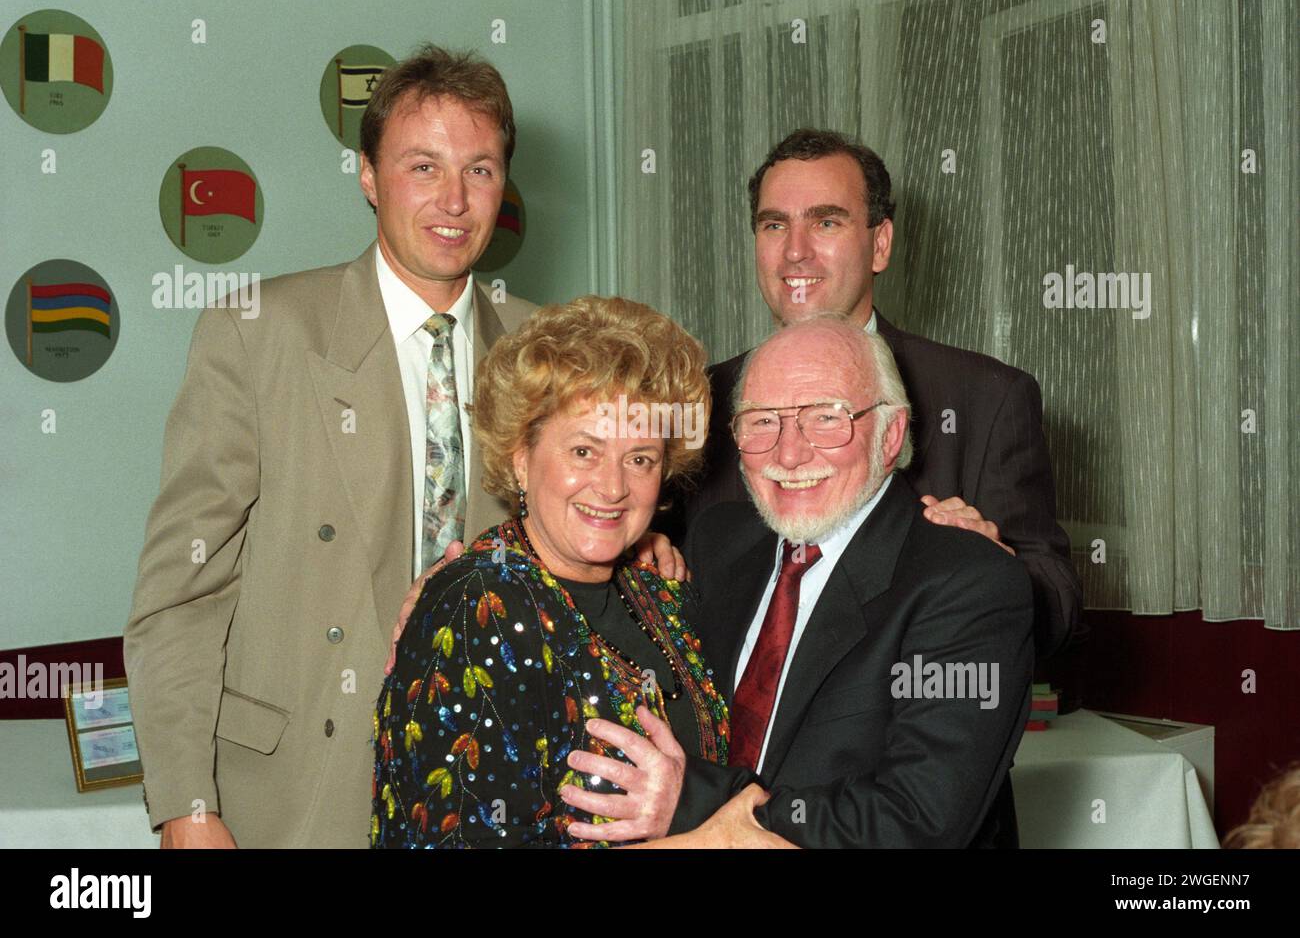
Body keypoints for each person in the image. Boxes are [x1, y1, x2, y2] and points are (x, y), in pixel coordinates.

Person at [122, 45, 543, 849]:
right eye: (424, 166)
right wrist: (187, 805)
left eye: (481, 170)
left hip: (492, 786)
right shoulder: (258, 333)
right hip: (297, 797)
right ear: (368, 175)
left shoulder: (543, 349)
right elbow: (180, 593)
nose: (454, 200)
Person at [579, 317, 1035, 848]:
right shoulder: (717, 543)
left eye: (826, 418)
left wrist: (697, 805)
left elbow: (917, 818)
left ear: (890, 435)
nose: (788, 454)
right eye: (762, 421)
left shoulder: (970, 583)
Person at [672, 129, 1081, 665]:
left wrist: (997, 569)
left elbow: (1061, 611)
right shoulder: (697, 400)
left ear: (880, 244)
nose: (795, 251)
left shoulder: (985, 398)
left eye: (825, 221)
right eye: (774, 225)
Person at [373, 296, 727, 847]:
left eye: (640, 459)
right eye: (584, 451)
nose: (613, 488)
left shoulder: (662, 592)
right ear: (520, 455)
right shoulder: (478, 607)